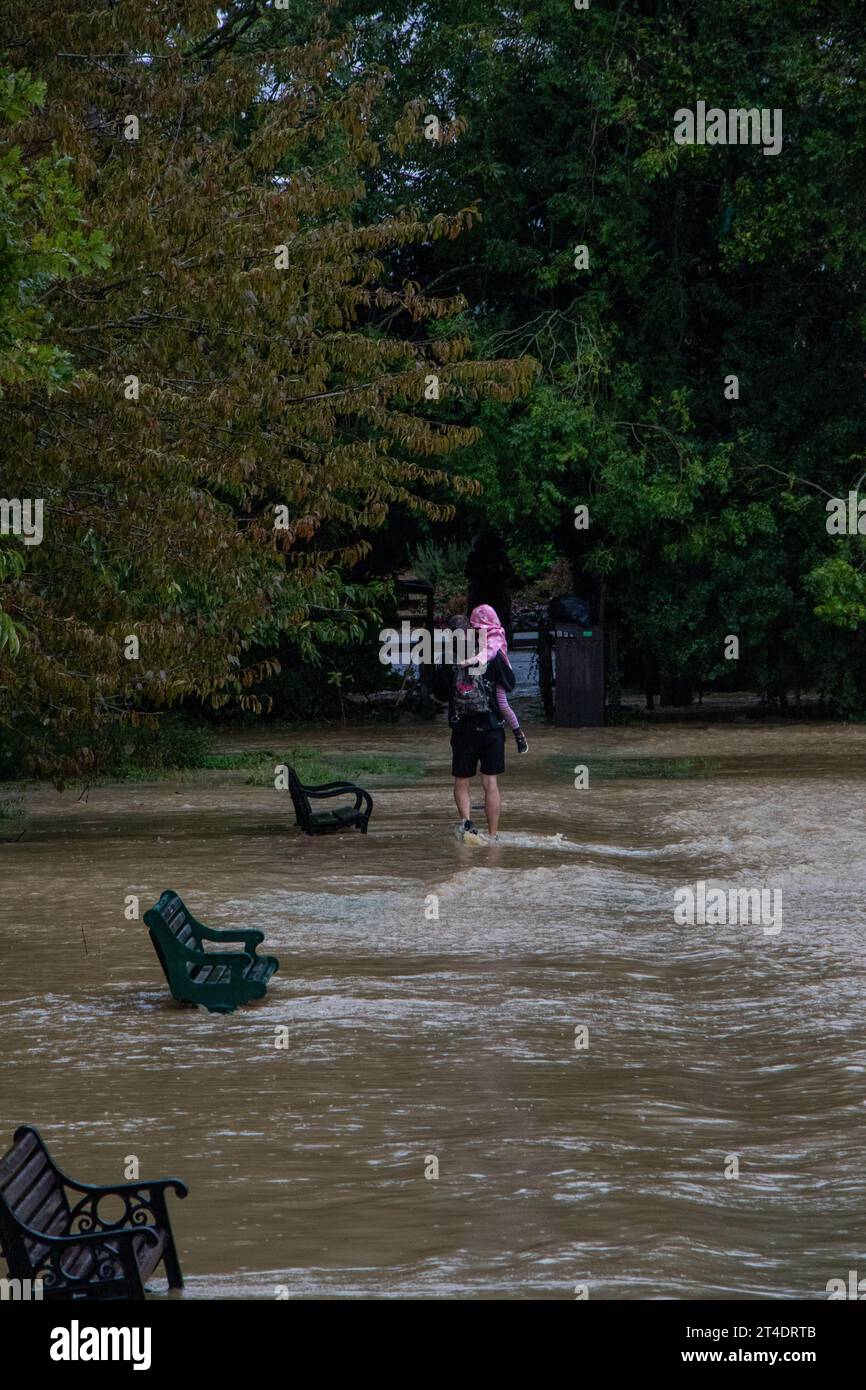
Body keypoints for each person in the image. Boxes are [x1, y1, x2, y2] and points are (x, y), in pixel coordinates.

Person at [433, 606, 524, 844]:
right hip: (492, 728)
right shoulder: (491, 653)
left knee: (462, 781)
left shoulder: (447, 658)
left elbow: (441, 695)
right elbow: (511, 683)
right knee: (490, 783)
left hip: (463, 729)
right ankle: (493, 836)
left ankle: (466, 824)